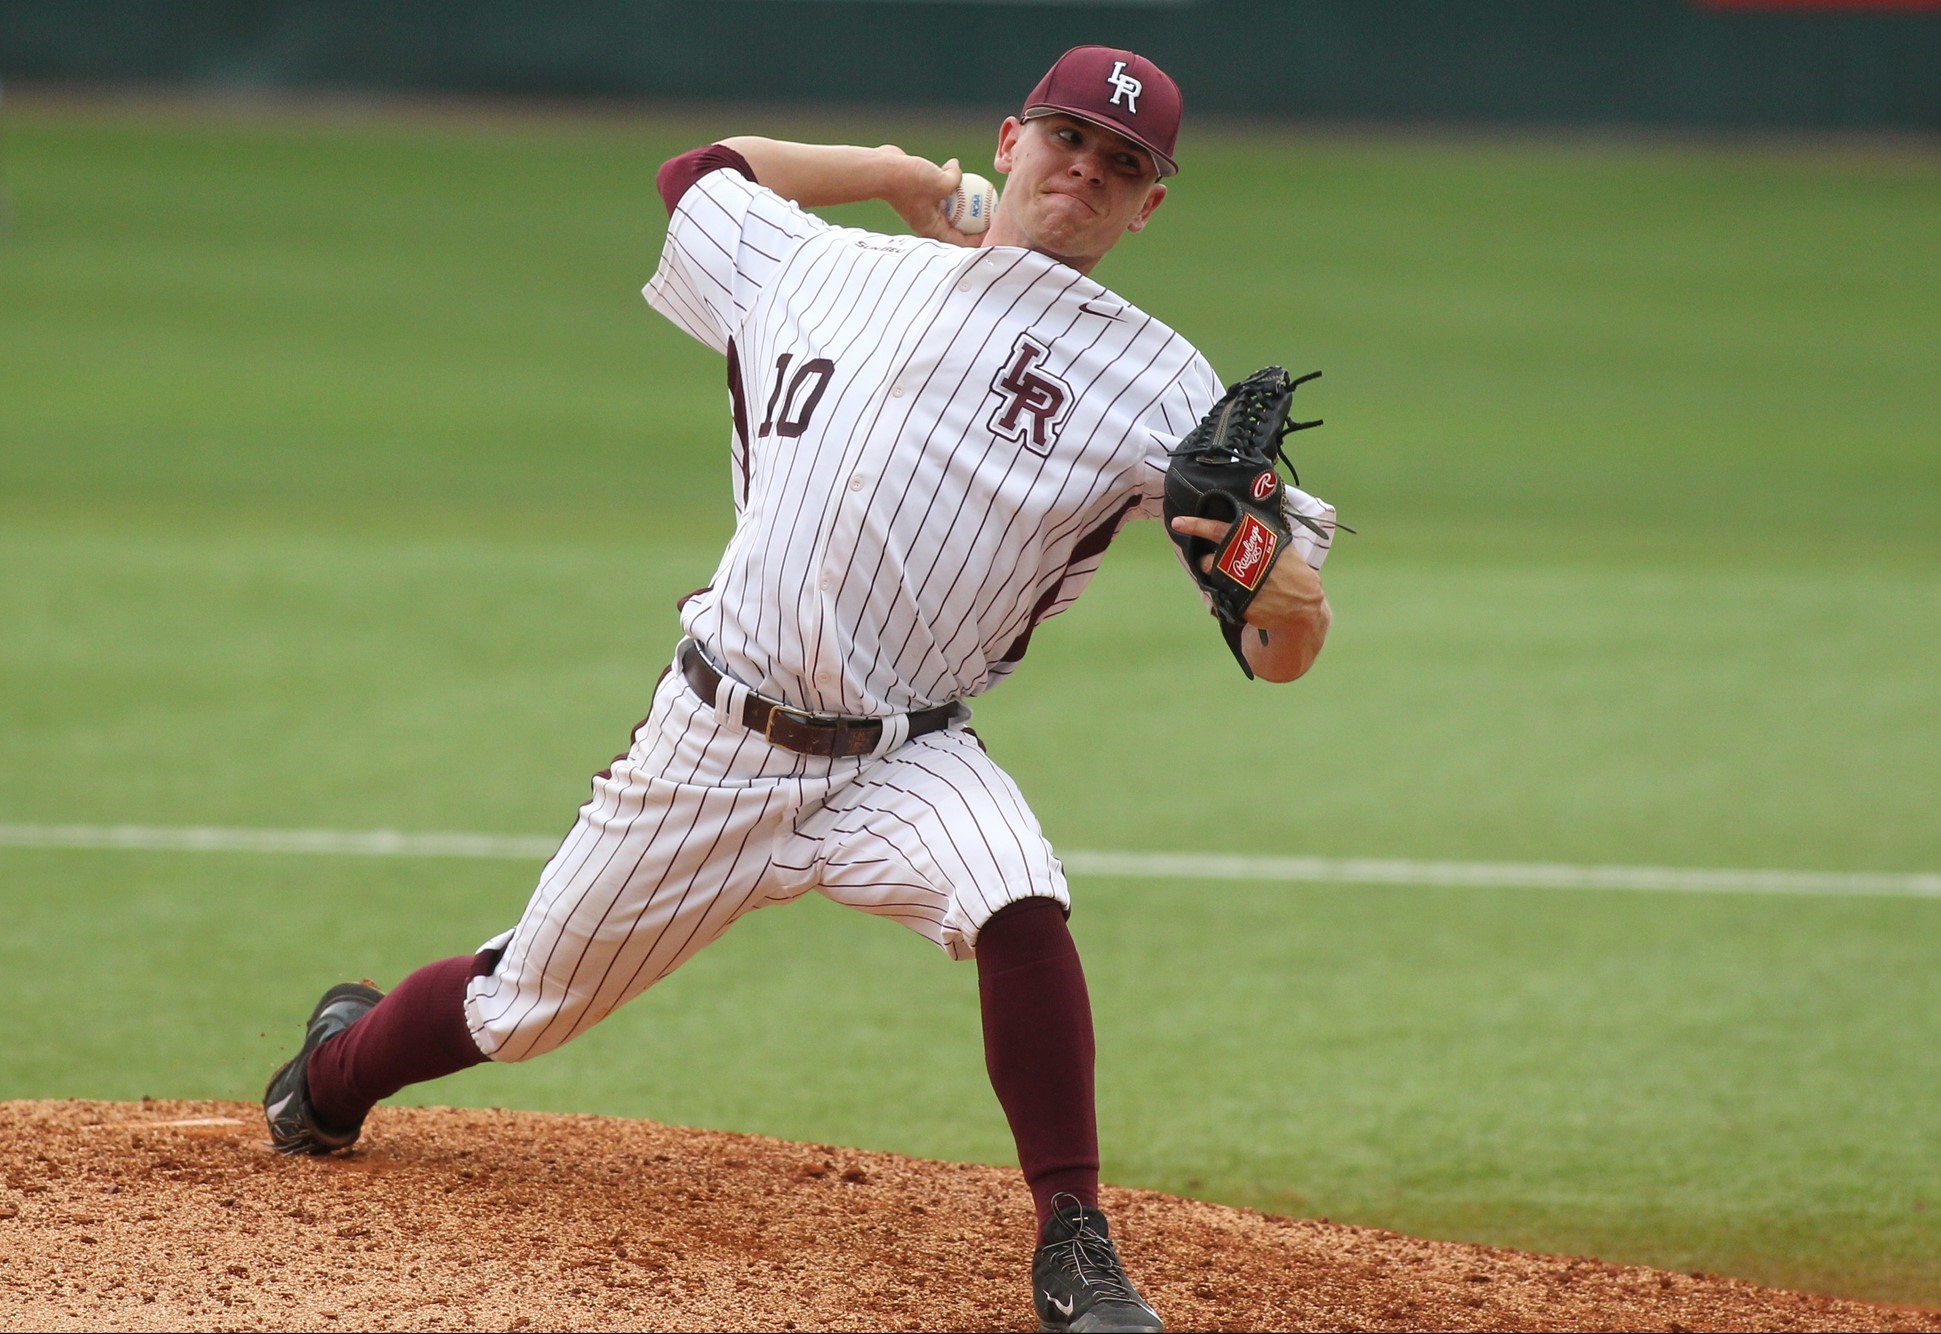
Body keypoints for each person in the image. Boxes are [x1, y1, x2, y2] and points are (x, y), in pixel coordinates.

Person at [263, 45, 1335, 1334]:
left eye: (1123, 166)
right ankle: (333, 1072)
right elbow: (697, 175)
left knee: (1019, 895)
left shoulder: (1166, 389)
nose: (1086, 175)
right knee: (523, 1008)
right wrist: (887, 175)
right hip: (716, 742)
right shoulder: (829, 265)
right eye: (1067, 143)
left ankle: (1077, 1244)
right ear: (1011, 141)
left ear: (1149, 204)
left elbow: (1280, 653)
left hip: (906, 754)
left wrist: (1291, 595)